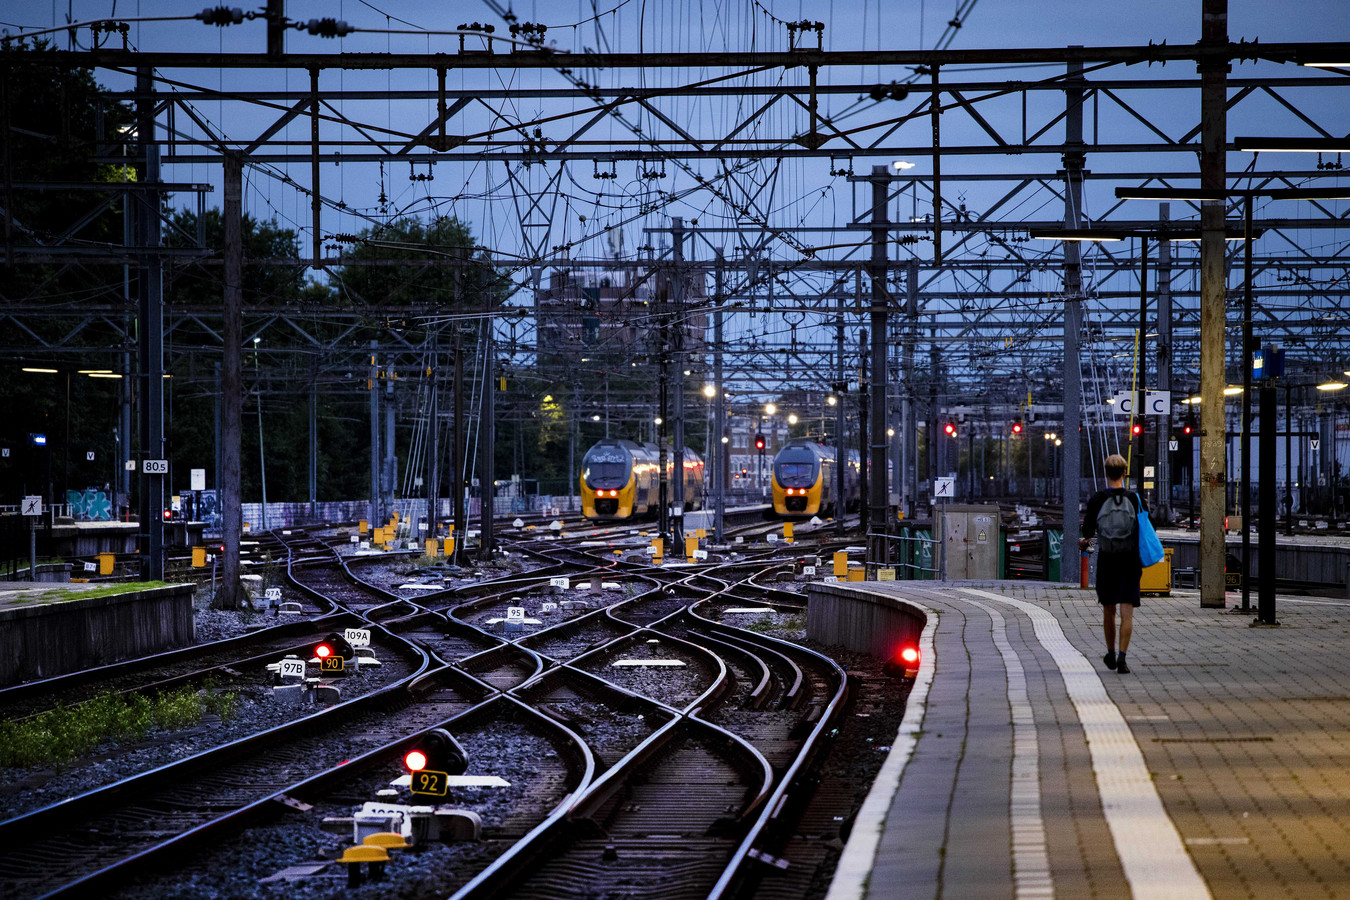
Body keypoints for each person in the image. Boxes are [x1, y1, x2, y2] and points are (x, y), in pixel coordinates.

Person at [1079, 453, 1145, 674]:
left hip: (1108, 561)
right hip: (1130, 561)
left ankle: (1109, 652)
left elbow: (1087, 530)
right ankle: (1123, 658)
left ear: (1106, 473)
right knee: (1127, 613)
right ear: (1124, 473)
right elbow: (1146, 527)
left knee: (1109, 610)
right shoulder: (1135, 500)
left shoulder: (1098, 499)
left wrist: (1085, 540)